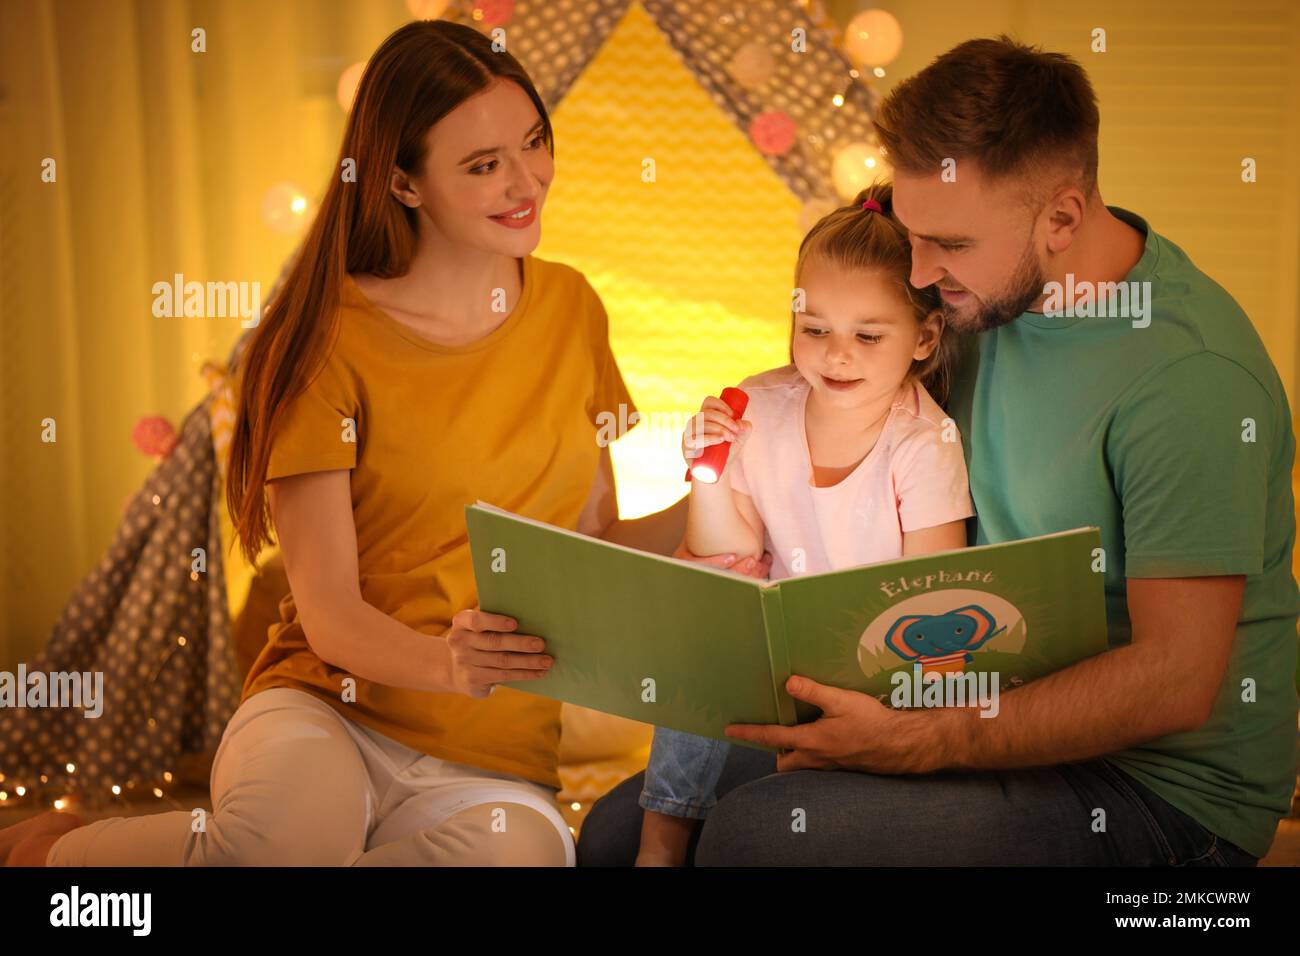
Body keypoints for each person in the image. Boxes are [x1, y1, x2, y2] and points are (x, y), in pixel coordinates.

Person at [1, 18, 752, 868]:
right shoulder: (323, 338)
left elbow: (594, 545)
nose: (527, 181)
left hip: (497, 760)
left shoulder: (572, 309)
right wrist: (450, 665)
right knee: (285, 849)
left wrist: (720, 488)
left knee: (528, 860)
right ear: (401, 182)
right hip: (331, 712)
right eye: (482, 165)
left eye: (534, 142)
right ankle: (52, 853)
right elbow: (331, 617)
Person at [578, 36, 1298, 866]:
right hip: (954, 693)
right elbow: (772, 469)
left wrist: (925, 739)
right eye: (914, 235)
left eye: (949, 245)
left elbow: (1175, 680)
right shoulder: (968, 304)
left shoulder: (1189, 379)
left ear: (1062, 217)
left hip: (1154, 792)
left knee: (758, 840)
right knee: (616, 834)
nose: (920, 270)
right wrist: (582, 572)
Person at [636, 184, 974, 865]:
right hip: (773, 668)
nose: (836, 354)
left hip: (872, 679)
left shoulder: (923, 444)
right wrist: (709, 470)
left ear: (924, 337)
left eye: (867, 335)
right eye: (814, 329)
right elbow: (725, 559)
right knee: (702, 638)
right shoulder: (763, 406)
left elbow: (934, 599)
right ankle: (659, 849)